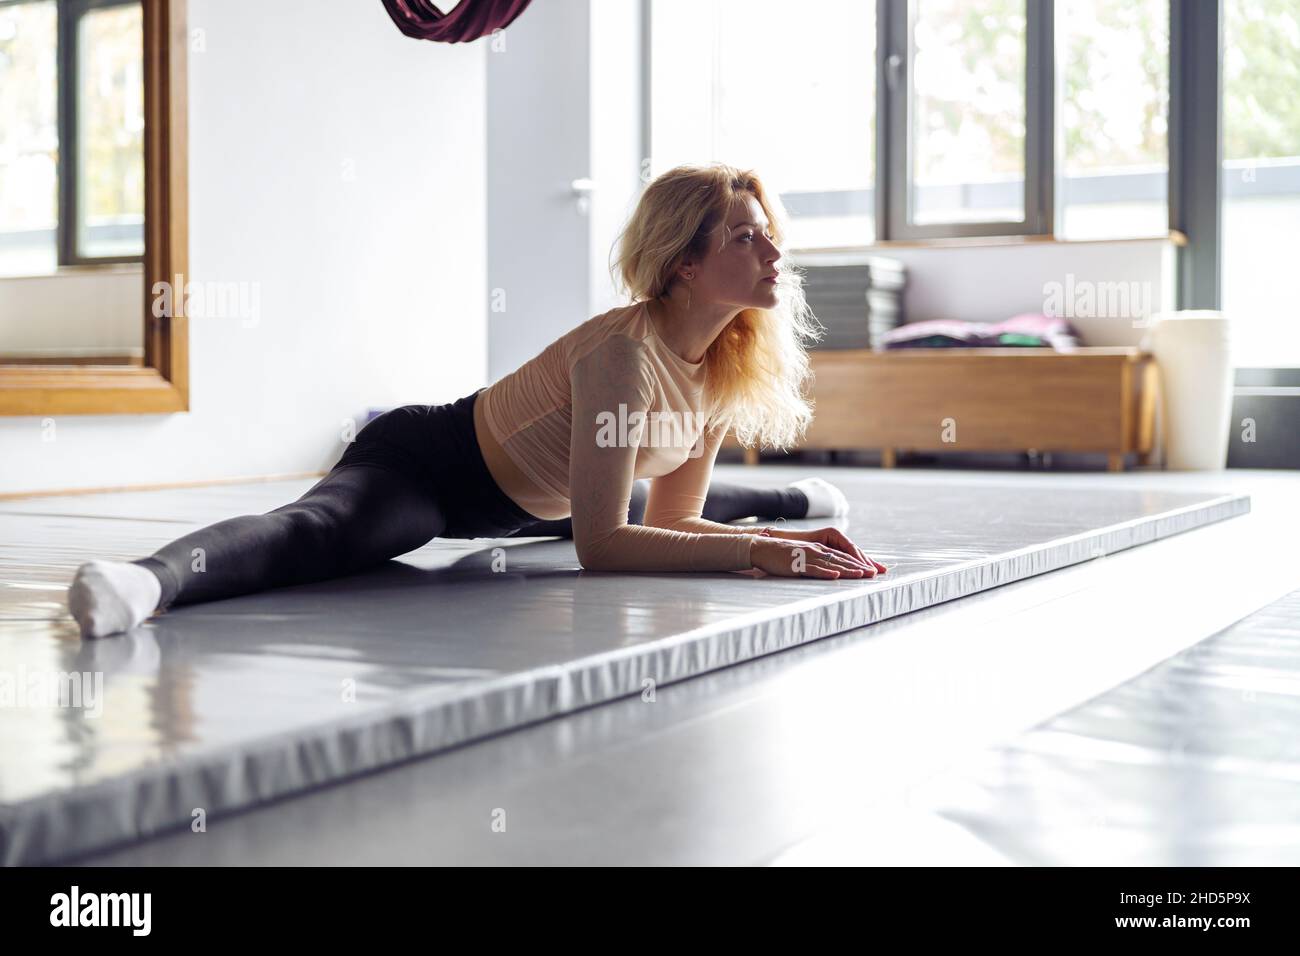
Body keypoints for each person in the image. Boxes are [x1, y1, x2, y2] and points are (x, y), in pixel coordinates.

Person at [67, 163, 887, 639]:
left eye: (768, 231)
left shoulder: (722, 364)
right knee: (316, 534)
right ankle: (142, 582)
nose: (775, 251)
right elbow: (604, 546)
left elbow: (671, 521)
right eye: (747, 236)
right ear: (684, 265)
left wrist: (777, 539)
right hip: (435, 467)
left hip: (540, 498)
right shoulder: (621, 354)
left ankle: (789, 494)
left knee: (634, 488)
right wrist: (754, 553)